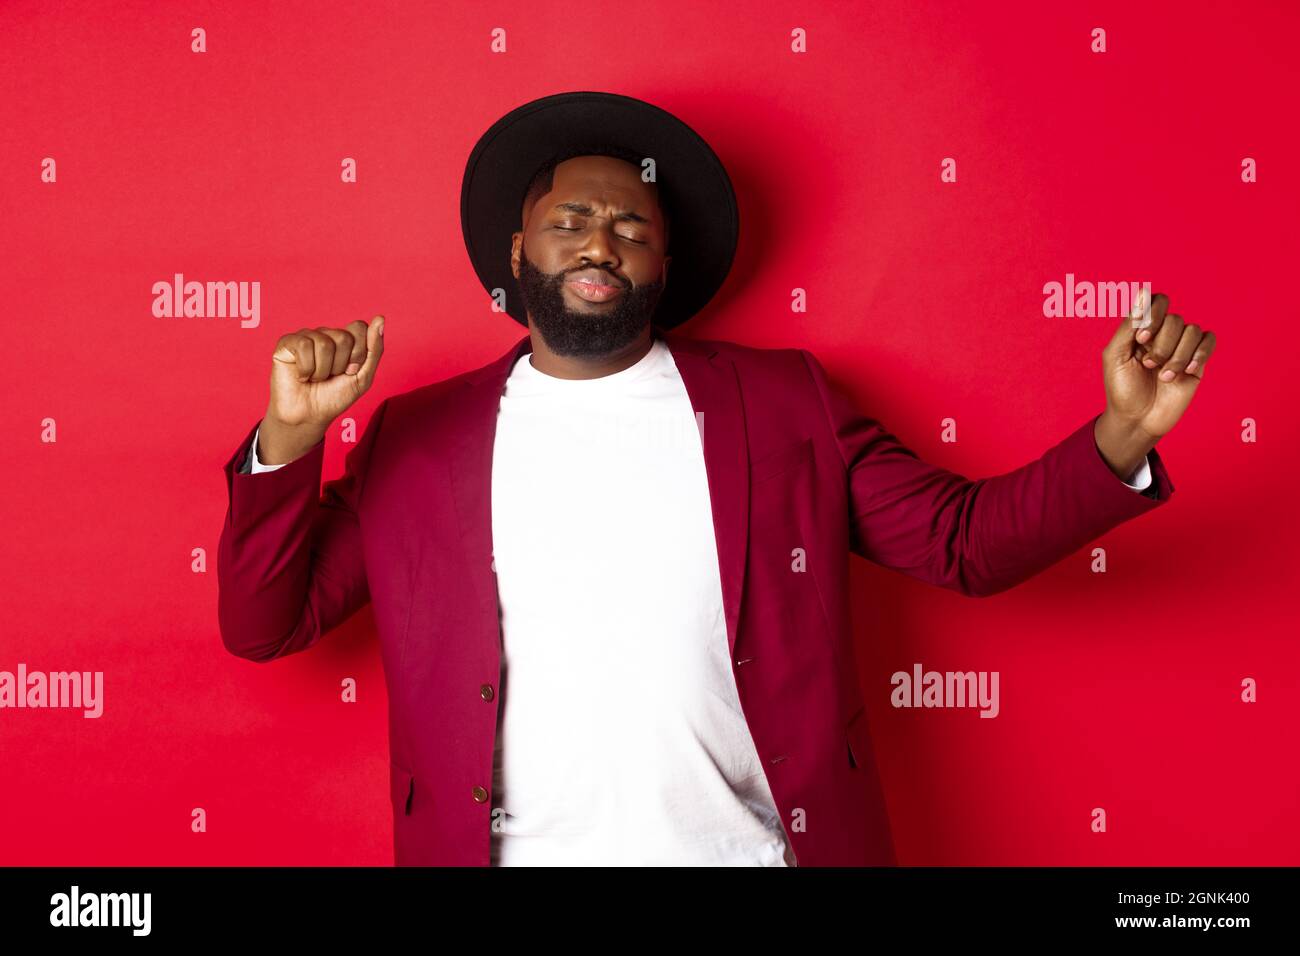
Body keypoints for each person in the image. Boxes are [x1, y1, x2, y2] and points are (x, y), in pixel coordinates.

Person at [217, 91, 1216, 866]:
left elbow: (965, 543)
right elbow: (265, 622)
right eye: (571, 221)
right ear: (519, 252)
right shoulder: (417, 436)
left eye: (633, 226)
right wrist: (289, 438)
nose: (602, 240)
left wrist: (1118, 434)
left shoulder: (782, 404)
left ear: (665, 265)